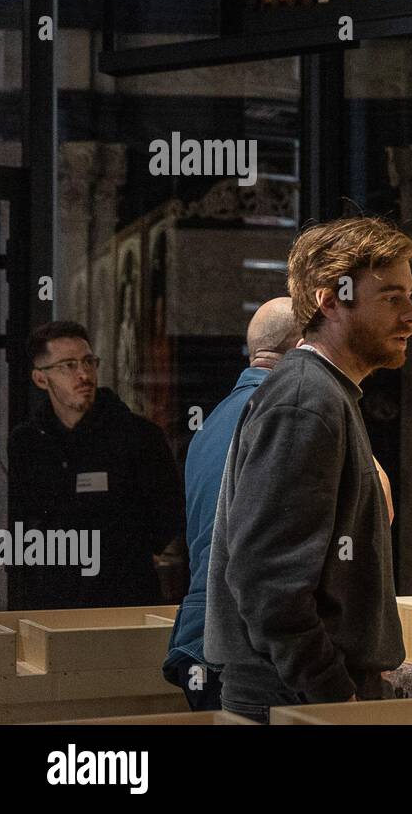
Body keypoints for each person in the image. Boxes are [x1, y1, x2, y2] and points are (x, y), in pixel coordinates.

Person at [204, 217, 412, 722]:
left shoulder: (324, 392)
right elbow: (265, 579)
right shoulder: (306, 398)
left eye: (409, 295)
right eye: (391, 298)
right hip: (291, 699)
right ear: (329, 300)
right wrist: (332, 692)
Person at [162, 297, 300, 710]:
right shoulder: (283, 417)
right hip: (247, 649)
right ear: (301, 347)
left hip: (200, 638)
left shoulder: (212, 422)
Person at [7, 320, 184, 609]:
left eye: (88, 362)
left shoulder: (138, 436)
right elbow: (23, 519)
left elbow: (168, 514)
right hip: (52, 602)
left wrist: (126, 553)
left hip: (124, 598)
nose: (83, 374)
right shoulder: (27, 442)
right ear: (41, 379)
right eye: (68, 365)